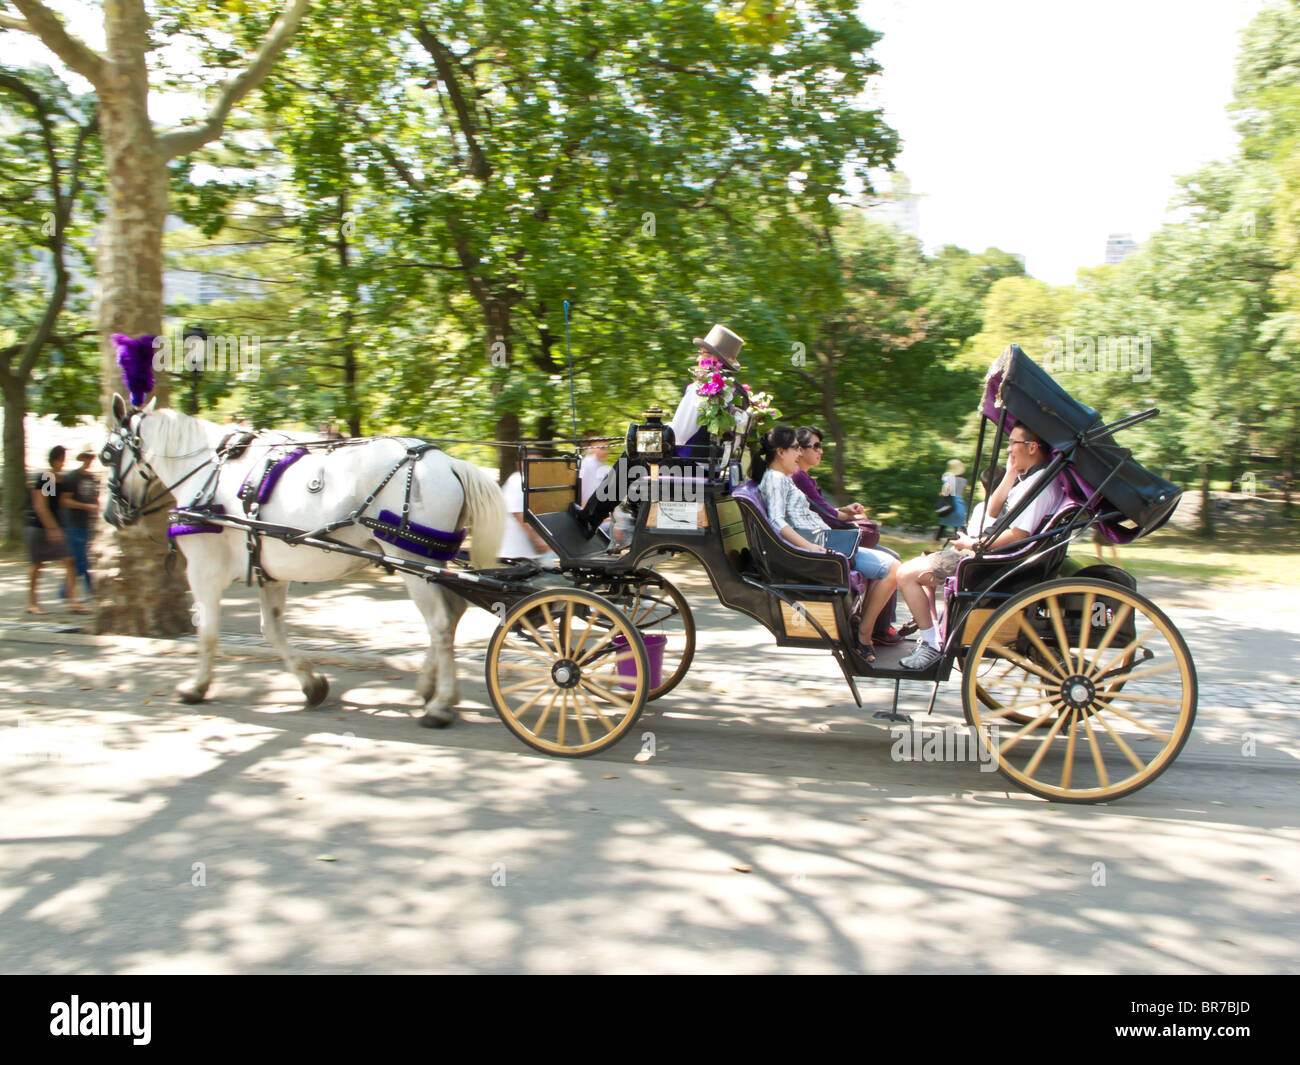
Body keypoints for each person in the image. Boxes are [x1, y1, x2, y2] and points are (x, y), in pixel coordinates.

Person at [897, 426, 1062, 670]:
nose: (1008, 448)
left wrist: (972, 544)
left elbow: (1018, 534)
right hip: (987, 551)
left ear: (1032, 447)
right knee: (916, 567)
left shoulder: (1037, 486)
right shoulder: (1029, 479)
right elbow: (993, 511)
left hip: (989, 560)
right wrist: (1009, 473)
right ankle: (930, 632)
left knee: (905, 574)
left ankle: (931, 646)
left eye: (1013, 443)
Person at [569, 323, 751, 537]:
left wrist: (652, 434)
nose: (697, 358)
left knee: (632, 458)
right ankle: (631, 512)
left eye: (702, 353)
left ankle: (591, 518)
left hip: (687, 468)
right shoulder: (736, 392)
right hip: (711, 468)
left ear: (716, 358)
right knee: (640, 457)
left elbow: (680, 435)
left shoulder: (704, 388)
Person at [755, 426, 900, 663]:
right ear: (781, 452)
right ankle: (864, 637)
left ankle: (866, 629)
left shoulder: (782, 478)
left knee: (889, 562)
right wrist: (811, 548)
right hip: (819, 547)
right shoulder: (775, 479)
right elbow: (777, 522)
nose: (798, 454)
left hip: (825, 541)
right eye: (795, 449)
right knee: (893, 568)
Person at [792, 425, 902, 645]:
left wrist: (846, 511)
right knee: (892, 565)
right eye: (816, 446)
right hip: (822, 542)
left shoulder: (803, 477)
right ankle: (869, 632)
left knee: (893, 556)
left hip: (824, 536)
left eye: (820, 446)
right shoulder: (799, 477)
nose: (820, 451)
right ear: (800, 450)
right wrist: (852, 519)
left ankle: (880, 625)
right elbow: (827, 516)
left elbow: (823, 511)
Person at [24, 446, 86, 615]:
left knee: (69, 562)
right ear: (55, 459)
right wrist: (52, 528)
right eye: (61, 458)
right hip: (38, 527)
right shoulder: (48, 477)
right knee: (37, 565)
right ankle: (32, 603)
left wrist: (87, 505)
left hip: (55, 527)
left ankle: (73, 601)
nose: (63, 462)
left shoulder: (61, 480)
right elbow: (41, 506)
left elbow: (61, 502)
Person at [499, 451, 559, 565]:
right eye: (530, 461)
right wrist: (538, 540)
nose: (534, 465)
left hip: (528, 553)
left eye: (538, 462)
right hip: (513, 552)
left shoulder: (533, 483)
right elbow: (518, 515)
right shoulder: (517, 481)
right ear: (519, 464)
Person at [59, 445, 100, 598]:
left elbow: (95, 499)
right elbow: (65, 501)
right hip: (73, 523)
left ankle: (64, 591)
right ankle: (92, 590)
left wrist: (95, 510)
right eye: (86, 457)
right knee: (82, 560)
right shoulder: (71, 477)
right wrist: (85, 506)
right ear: (81, 458)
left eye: (91, 457)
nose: (89, 460)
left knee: (79, 560)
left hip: (85, 524)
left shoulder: (92, 478)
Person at [935, 459, 968, 542]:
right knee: (958, 529)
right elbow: (962, 494)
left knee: (942, 528)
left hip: (950, 505)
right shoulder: (964, 481)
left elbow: (946, 492)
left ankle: (934, 547)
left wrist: (941, 493)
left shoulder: (949, 479)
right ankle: (960, 548)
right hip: (960, 505)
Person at [579, 433, 612, 506]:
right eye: (602, 448)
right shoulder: (585, 465)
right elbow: (579, 492)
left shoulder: (605, 467)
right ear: (592, 448)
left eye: (607, 448)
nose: (606, 452)